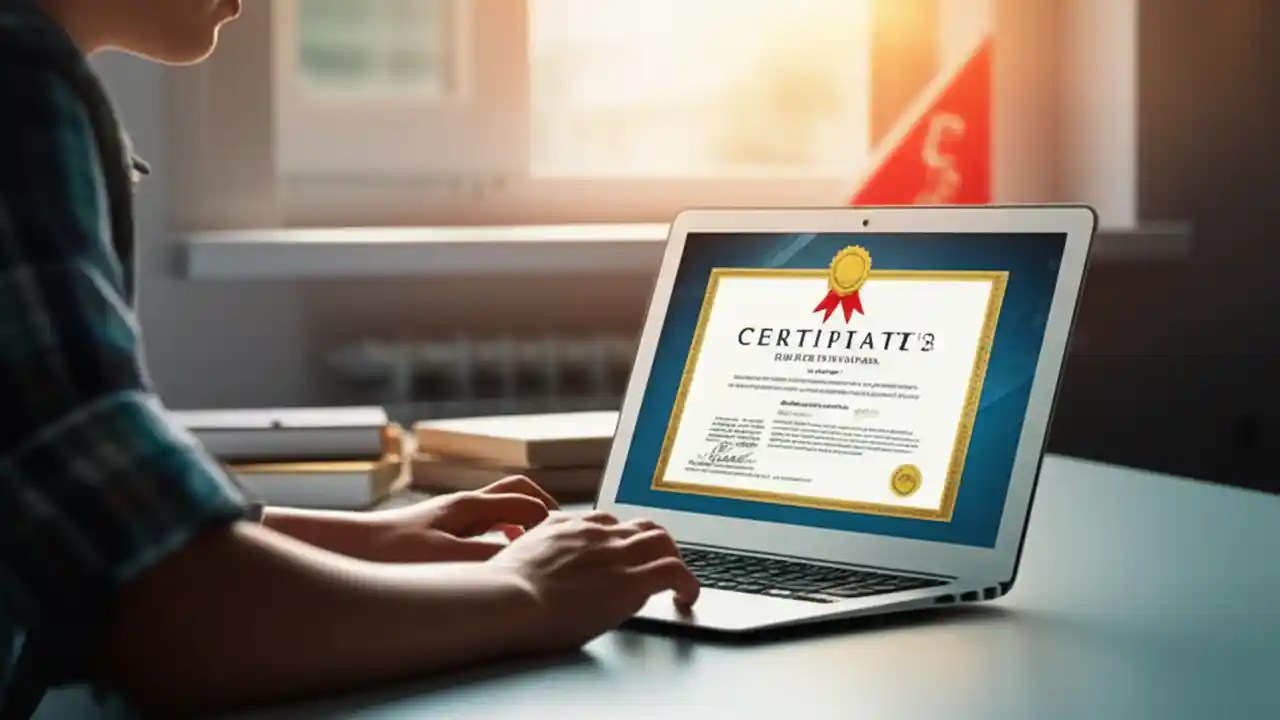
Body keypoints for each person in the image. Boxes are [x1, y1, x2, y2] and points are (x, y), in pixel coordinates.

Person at [0, 0, 699, 716]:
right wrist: (524, 591)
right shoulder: (17, 75)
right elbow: (166, 608)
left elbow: (73, 530)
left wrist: (373, 541)